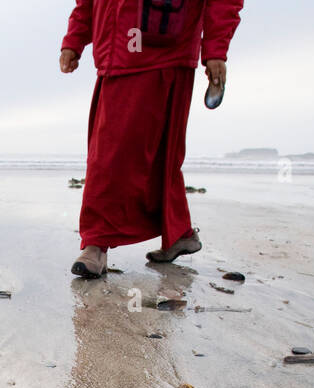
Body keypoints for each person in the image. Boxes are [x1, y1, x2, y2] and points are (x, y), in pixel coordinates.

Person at [61, 0, 244, 277]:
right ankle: (179, 233)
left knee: (114, 156)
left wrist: (216, 49)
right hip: (118, 52)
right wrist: (74, 39)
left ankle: (96, 244)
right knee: (149, 153)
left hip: (162, 45)